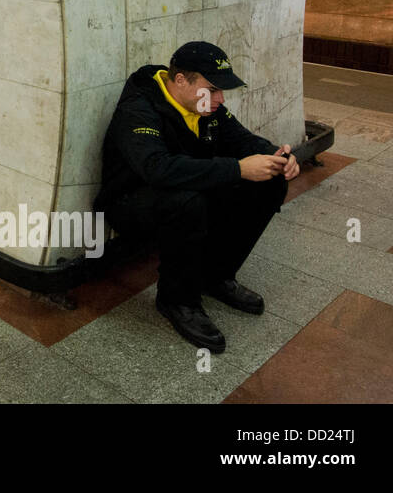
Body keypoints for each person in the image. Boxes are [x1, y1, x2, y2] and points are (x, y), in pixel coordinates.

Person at [96, 42, 297, 354]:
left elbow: (241, 139)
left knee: (269, 182)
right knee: (187, 202)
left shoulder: (207, 107)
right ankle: (177, 300)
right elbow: (156, 168)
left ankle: (214, 276)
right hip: (130, 203)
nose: (220, 99)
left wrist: (275, 154)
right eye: (213, 89)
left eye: (222, 91)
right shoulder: (139, 109)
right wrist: (237, 169)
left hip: (187, 190)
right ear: (180, 81)